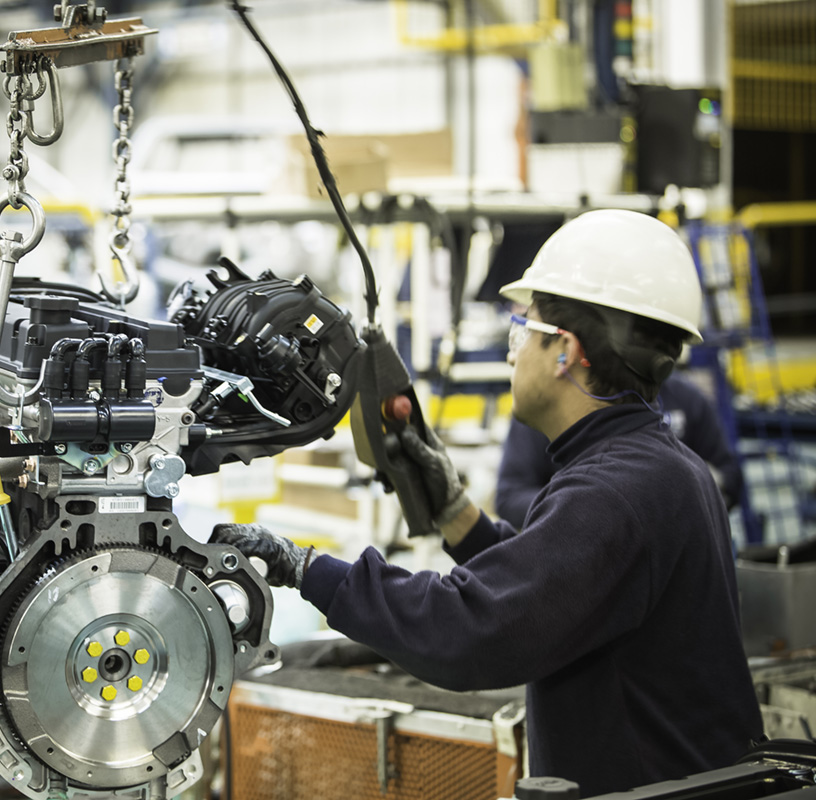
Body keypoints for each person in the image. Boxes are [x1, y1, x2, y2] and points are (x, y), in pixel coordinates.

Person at [212, 210, 764, 797]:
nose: (512, 349)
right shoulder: (653, 464)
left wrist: (305, 568)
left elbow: (472, 631)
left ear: (566, 351)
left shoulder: (617, 490)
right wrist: (455, 512)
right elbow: (556, 585)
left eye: (522, 326)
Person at [496, 370, 744, 528]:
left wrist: (683, 499)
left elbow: (730, 477)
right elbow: (509, 497)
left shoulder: (688, 399)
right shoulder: (553, 405)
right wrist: (578, 513)